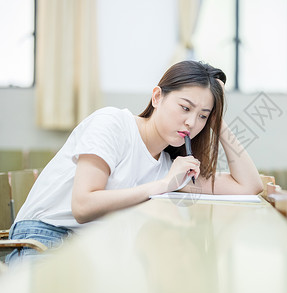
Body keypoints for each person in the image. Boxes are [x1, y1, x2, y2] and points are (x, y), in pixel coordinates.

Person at [6, 60, 263, 265]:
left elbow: (249, 185)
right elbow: (83, 206)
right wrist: (162, 185)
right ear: (157, 97)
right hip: (44, 240)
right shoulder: (112, 123)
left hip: (91, 252)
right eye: (185, 108)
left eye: (202, 116)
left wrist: (218, 123)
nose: (192, 123)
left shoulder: (169, 165)